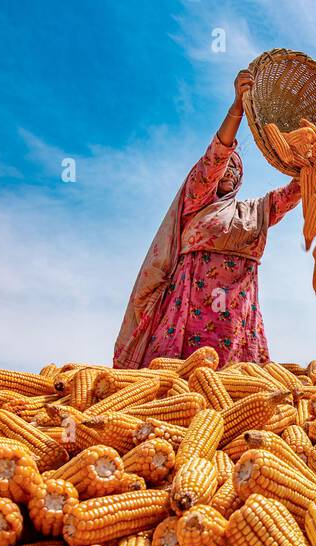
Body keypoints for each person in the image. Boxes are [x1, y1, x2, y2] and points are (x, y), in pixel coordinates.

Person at [113, 69, 301, 368]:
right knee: (186, 373)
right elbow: (216, 155)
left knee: (232, 376)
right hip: (192, 302)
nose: (230, 171)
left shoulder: (254, 212)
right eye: (228, 166)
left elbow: (291, 194)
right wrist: (238, 107)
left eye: (237, 170)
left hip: (236, 310)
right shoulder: (197, 201)